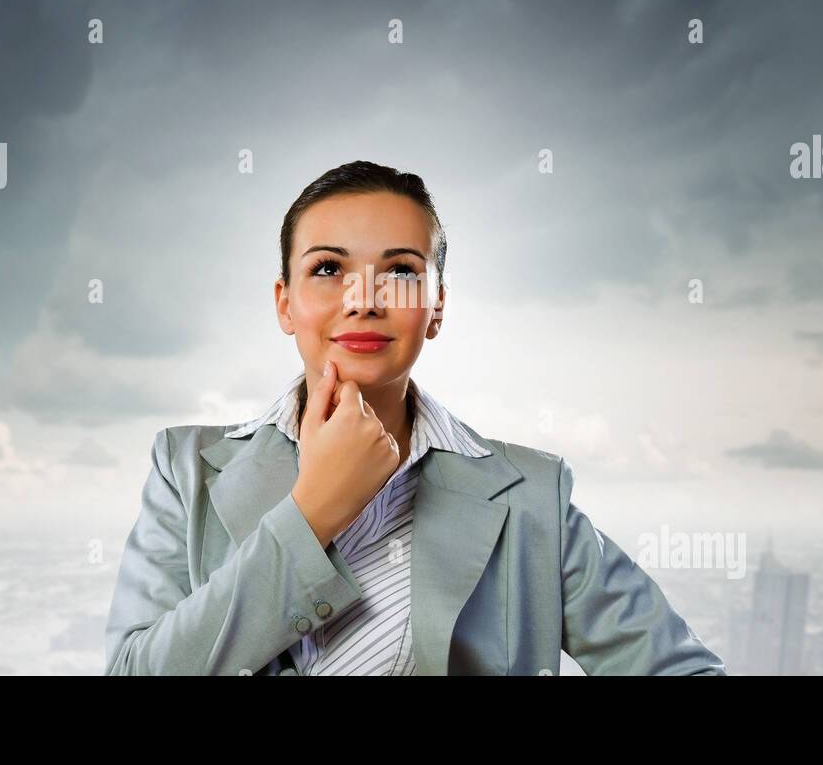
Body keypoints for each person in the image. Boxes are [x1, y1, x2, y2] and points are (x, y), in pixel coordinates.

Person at [104, 160, 726, 676]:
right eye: (328, 268)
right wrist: (311, 514)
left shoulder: (528, 496)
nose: (365, 299)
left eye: (401, 272)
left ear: (435, 308)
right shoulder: (186, 471)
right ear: (285, 303)